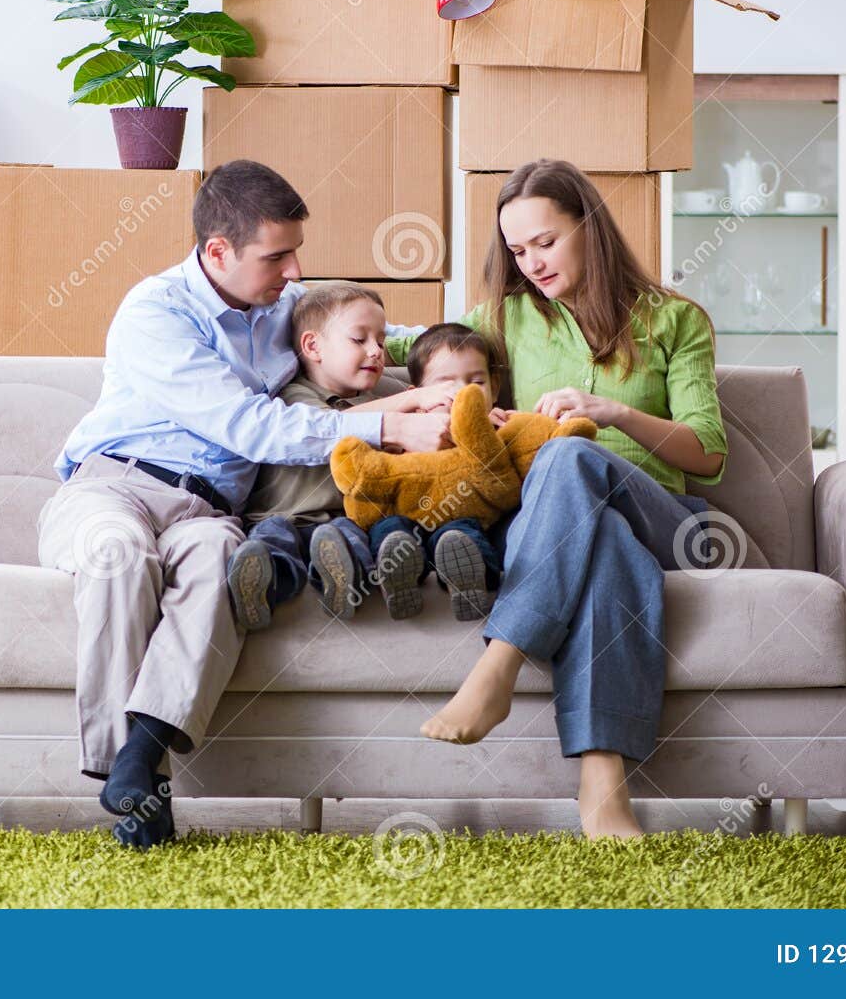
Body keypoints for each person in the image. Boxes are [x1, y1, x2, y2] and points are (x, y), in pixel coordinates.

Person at [40, 160, 449, 850]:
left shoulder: (286, 306)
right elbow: (248, 427)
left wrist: (460, 354)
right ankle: (134, 776)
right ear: (218, 252)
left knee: (222, 568)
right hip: (115, 485)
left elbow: (375, 333)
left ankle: (139, 761)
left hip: (209, 514)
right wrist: (389, 424)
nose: (296, 272)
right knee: (120, 555)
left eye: (296, 253)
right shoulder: (156, 311)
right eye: (278, 256)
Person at [386, 158, 729, 841]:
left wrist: (613, 413)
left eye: (545, 242)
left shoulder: (674, 319)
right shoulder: (501, 320)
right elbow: (399, 346)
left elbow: (709, 454)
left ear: (590, 227)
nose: (532, 262)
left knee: (570, 450)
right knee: (603, 548)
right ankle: (603, 792)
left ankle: (501, 662)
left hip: (665, 514)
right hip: (569, 526)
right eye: (517, 250)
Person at [230, 281, 457, 629]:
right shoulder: (293, 397)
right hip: (281, 517)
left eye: (380, 341)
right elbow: (330, 427)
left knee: (345, 539)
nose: (376, 351)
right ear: (313, 346)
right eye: (359, 339)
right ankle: (260, 585)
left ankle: (339, 585)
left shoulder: (375, 398)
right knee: (271, 540)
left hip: (340, 520)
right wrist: (410, 401)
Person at [343, 323, 512, 622]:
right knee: (390, 529)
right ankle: (401, 577)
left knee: (463, 534)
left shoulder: (498, 427)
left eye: (477, 383)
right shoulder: (406, 429)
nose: (462, 394)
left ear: (495, 388)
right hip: (408, 520)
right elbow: (344, 426)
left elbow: (511, 476)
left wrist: (494, 432)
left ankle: (470, 580)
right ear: (417, 396)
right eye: (446, 386)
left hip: (464, 518)